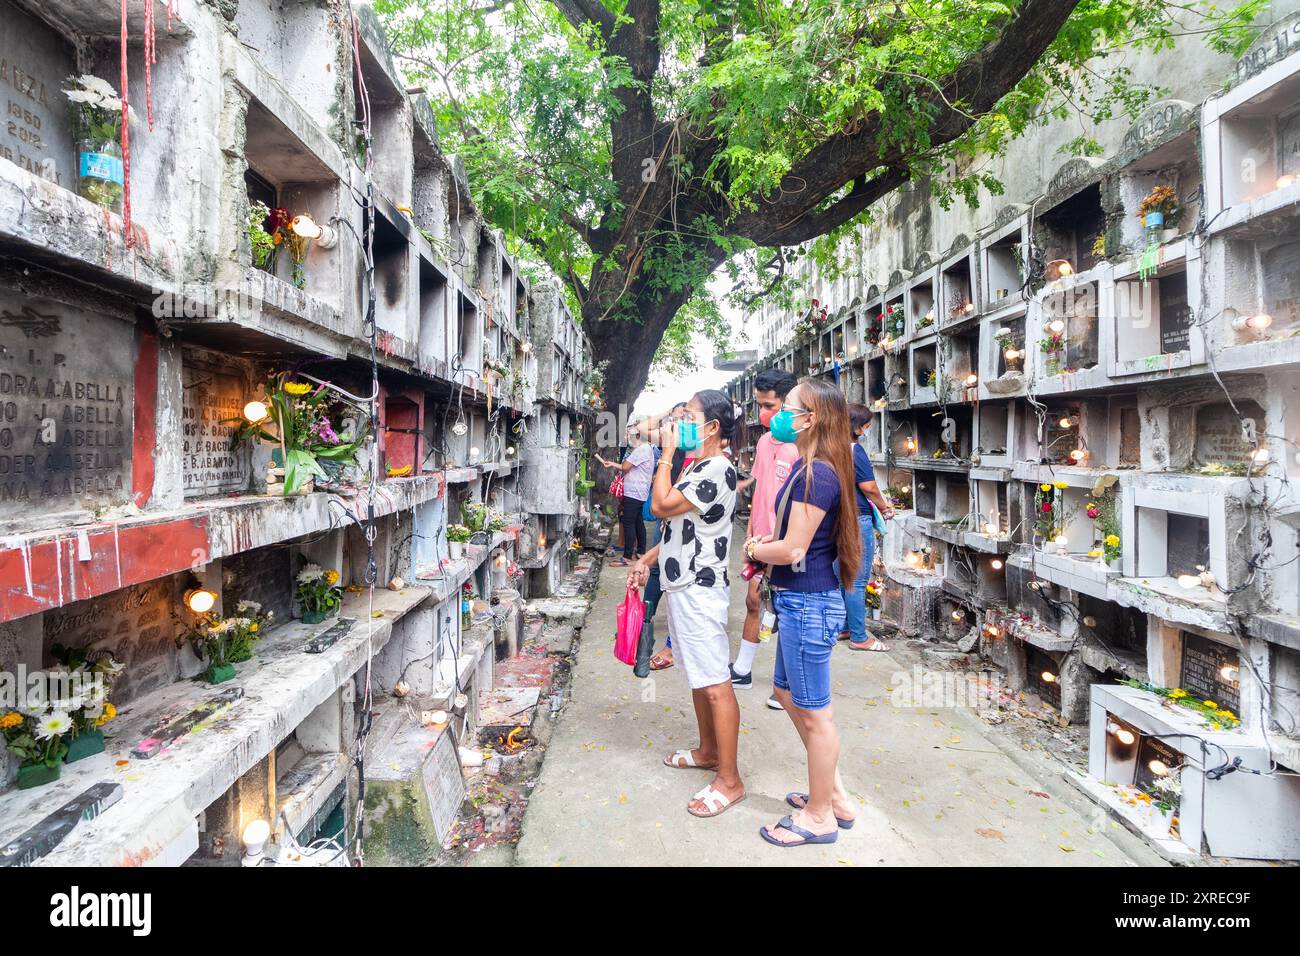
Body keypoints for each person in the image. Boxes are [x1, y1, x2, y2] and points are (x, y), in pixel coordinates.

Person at [744, 378, 861, 846]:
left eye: (788, 408)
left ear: (810, 419)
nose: (779, 415)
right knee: (787, 693)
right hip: (797, 602)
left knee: (816, 714)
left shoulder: (819, 474)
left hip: (809, 604)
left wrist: (754, 546)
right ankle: (834, 797)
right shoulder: (809, 465)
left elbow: (793, 547)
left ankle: (819, 818)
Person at [630, 390, 744, 818]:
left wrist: (665, 455)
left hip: (700, 588)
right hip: (682, 584)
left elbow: (659, 505)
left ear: (712, 427)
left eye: (688, 416)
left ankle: (730, 780)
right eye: (678, 417)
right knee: (699, 677)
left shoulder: (717, 468)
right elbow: (680, 525)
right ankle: (708, 751)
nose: (678, 423)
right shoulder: (700, 465)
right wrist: (648, 556)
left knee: (715, 683)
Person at [729, 368, 801, 708]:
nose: (763, 414)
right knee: (753, 601)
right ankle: (742, 669)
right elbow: (757, 486)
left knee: (787, 610)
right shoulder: (762, 441)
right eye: (759, 405)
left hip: (787, 541)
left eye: (770, 406)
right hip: (758, 538)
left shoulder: (803, 446)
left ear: (790, 404)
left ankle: (784, 686)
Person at [843, 403, 895, 652]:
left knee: (843, 576)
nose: (865, 431)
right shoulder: (855, 450)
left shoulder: (831, 448)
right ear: (856, 427)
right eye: (865, 426)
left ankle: (845, 627)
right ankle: (858, 636)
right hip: (857, 518)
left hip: (838, 518)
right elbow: (868, 487)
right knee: (857, 579)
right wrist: (885, 507)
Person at [597, 426, 653, 566]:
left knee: (628, 522)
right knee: (637, 521)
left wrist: (612, 464)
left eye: (629, 435)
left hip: (634, 492)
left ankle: (627, 557)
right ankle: (640, 551)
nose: (627, 438)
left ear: (638, 436)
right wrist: (613, 464)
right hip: (638, 491)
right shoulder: (645, 449)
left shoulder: (641, 450)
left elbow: (625, 466)